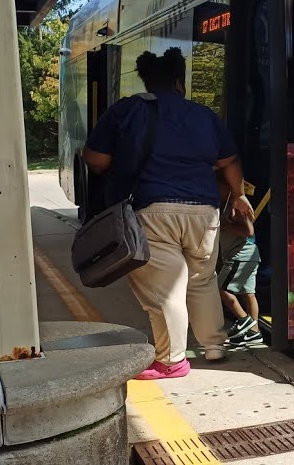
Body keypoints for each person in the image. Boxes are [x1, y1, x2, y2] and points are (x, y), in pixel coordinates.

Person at [83, 48, 255, 380]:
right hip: (204, 212)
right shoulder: (203, 115)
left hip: (154, 210)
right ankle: (214, 345)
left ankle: (172, 360)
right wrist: (238, 195)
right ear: (180, 82)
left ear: (146, 81)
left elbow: (96, 159)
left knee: (164, 290)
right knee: (202, 279)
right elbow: (228, 161)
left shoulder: (127, 110)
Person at [217, 198, 262, 346]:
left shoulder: (235, 206)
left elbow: (249, 231)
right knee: (248, 293)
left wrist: (223, 227)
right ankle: (254, 332)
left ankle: (244, 319)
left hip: (240, 255)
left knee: (221, 289)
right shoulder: (228, 206)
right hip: (249, 256)